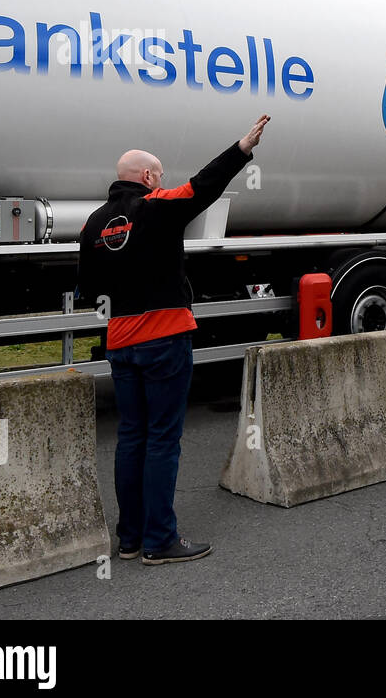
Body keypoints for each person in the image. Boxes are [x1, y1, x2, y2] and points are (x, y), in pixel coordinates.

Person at [77, 115, 270, 565]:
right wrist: (241, 148)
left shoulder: (93, 224)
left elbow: (88, 289)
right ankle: (160, 540)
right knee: (163, 438)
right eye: (158, 176)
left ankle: (129, 540)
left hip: (120, 341)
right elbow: (203, 187)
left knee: (132, 436)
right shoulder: (156, 205)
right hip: (164, 337)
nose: (160, 181)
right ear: (147, 178)